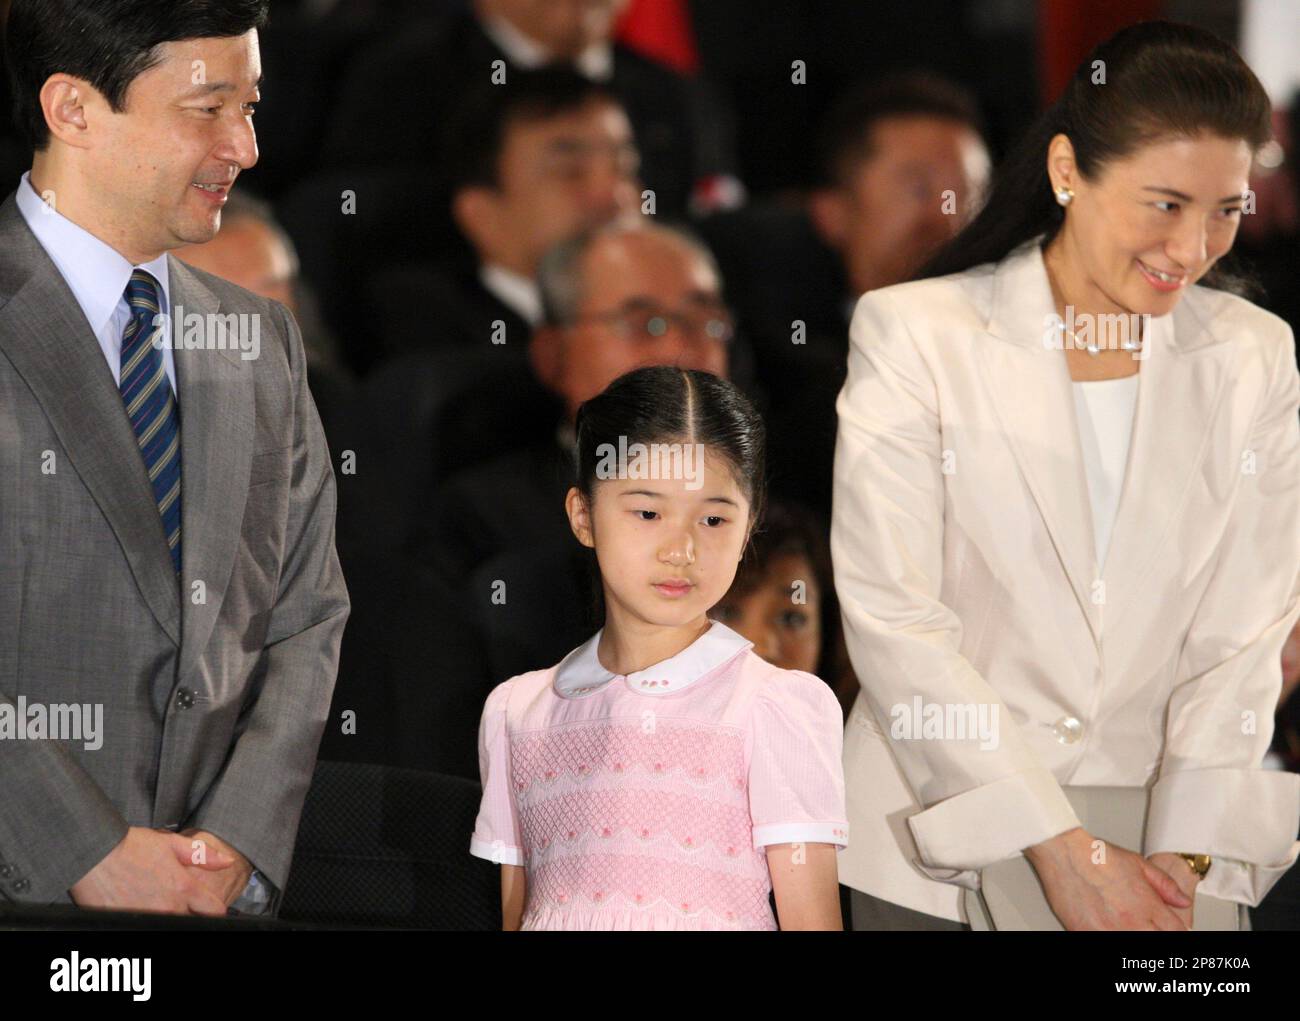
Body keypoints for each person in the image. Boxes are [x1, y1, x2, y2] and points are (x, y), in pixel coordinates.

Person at [832, 20, 1300, 930]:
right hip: (943, 838)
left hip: (1169, 846)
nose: (1194, 246)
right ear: (1065, 171)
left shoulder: (1253, 354)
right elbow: (896, 619)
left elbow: (1243, 635)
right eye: (1164, 204)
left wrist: (1181, 860)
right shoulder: (917, 334)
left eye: (1227, 210)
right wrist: (1066, 854)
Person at [0, 0, 349, 916]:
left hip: (211, 898)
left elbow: (307, 618)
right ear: (72, 109)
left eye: (254, 106)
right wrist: (84, 845)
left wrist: (235, 839)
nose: (246, 147)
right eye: (208, 109)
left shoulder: (261, 339)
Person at [468, 366, 848, 930]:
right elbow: (520, 914)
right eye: (647, 512)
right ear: (583, 515)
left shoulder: (774, 706)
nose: (682, 549)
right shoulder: (517, 712)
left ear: (748, 529)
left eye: (715, 518)